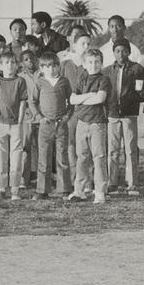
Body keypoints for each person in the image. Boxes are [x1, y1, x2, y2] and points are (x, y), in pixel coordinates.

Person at [103, 40, 144, 195]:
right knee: (112, 150)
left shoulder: (137, 69)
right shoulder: (108, 70)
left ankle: (132, 183)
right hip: (113, 114)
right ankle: (112, 183)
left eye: (124, 51)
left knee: (130, 150)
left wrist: (138, 97)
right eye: (117, 51)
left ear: (129, 52)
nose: (120, 54)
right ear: (113, 53)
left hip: (130, 114)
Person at [67, 48, 111, 204]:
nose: (94, 65)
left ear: (102, 63)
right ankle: (79, 190)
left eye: (97, 61)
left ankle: (100, 191)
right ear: (84, 64)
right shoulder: (81, 78)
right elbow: (72, 99)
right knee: (82, 158)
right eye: (90, 62)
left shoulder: (104, 79)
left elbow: (100, 98)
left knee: (99, 158)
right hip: (81, 122)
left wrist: (82, 99)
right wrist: (88, 96)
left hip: (97, 123)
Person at [29, 51, 73, 199]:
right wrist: (39, 117)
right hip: (45, 125)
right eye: (47, 67)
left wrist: (67, 116)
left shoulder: (64, 81)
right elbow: (32, 101)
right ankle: (42, 190)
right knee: (44, 157)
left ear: (58, 66)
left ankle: (64, 188)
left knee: (62, 156)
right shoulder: (40, 82)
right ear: (41, 68)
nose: (51, 69)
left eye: (54, 66)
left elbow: (71, 101)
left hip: (61, 124)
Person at [0, 51, 29, 202]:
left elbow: (23, 102)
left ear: (17, 65)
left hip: (16, 124)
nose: (10, 66)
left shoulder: (20, 81)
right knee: (0, 156)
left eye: (12, 62)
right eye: (6, 63)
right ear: (0, 66)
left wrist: (20, 120)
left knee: (16, 155)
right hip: (0, 124)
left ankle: (15, 189)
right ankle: (1, 188)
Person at [61, 27, 91, 181]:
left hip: (87, 111)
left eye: (88, 44)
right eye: (83, 44)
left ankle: (87, 178)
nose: (86, 47)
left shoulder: (91, 66)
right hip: (70, 111)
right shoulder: (65, 65)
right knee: (70, 142)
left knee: (86, 145)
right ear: (75, 46)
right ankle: (74, 177)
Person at [18, 49, 41, 187]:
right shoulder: (20, 77)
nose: (30, 61)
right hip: (26, 117)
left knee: (40, 147)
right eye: (26, 59)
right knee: (25, 148)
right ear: (22, 63)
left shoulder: (42, 74)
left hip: (41, 115)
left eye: (32, 58)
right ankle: (22, 178)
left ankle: (40, 177)